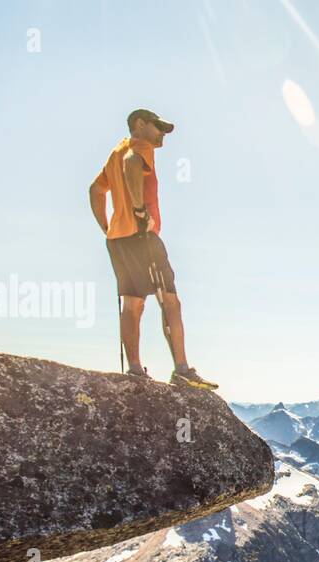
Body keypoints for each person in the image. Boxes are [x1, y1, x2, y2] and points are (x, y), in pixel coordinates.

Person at [89, 108, 217, 389]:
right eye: (157, 127)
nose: (161, 134)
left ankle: (135, 369)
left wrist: (107, 226)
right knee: (169, 300)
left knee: (133, 302)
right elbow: (133, 165)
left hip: (118, 240)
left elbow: (95, 190)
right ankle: (182, 369)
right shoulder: (139, 147)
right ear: (140, 124)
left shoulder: (115, 153)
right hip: (142, 237)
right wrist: (139, 210)